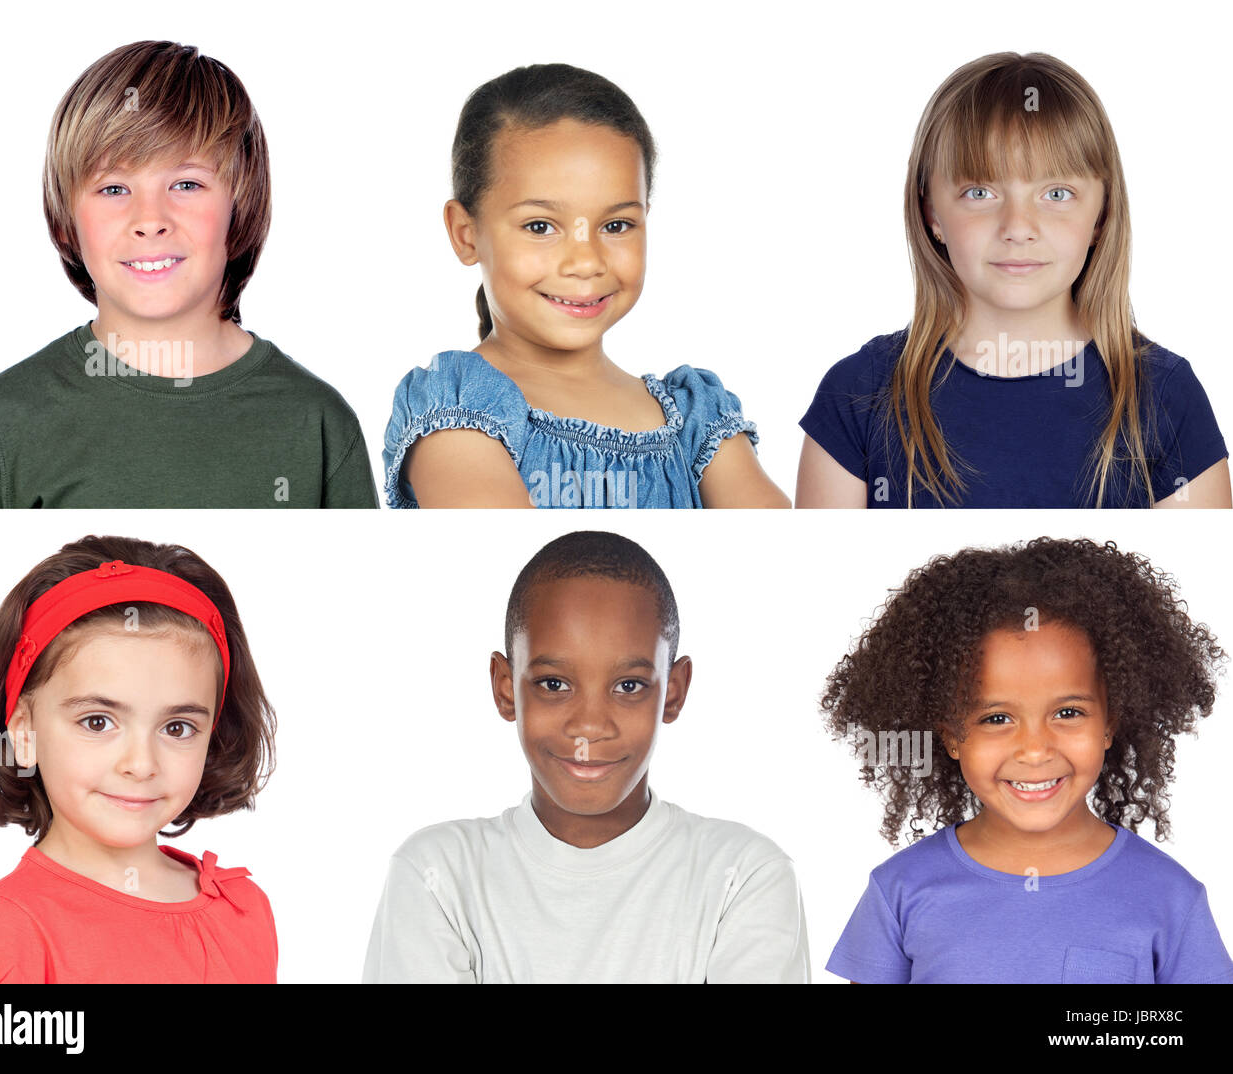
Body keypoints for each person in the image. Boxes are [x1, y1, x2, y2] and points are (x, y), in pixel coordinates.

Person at [0, 39, 377, 508]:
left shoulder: (318, 423)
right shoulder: (5, 418)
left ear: (240, 206)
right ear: (68, 219)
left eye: (186, 184)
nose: (150, 219)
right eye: (114, 187)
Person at [363, 530, 807, 981]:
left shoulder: (744, 877)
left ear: (673, 692)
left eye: (629, 686)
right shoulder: (436, 875)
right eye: (554, 684)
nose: (590, 727)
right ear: (505, 687)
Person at [796, 52, 1229, 508]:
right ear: (931, 214)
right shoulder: (857, 395)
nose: (1018, 226)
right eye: (979, 192)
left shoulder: (1165, 396)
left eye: (1057, 193)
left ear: (1101, 214)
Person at [821, 537, 1232, 982]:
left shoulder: (1170, 899)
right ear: (951, 736)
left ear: (1110, 722)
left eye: (1068, 713)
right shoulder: (899, 893)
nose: (1035, 750)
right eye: (996, 718)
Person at [384, 64, 789, 508]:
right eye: (540, 226)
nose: (586, 261)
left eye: (616, 225)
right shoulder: (453, 408)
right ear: (466, 233)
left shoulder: (699, 420)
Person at [0, 535, 278, 982]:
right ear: (23, 731)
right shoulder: (2, 929)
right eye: (97, 722)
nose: (140, 764)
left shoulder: (244, 908)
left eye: (177, 728)